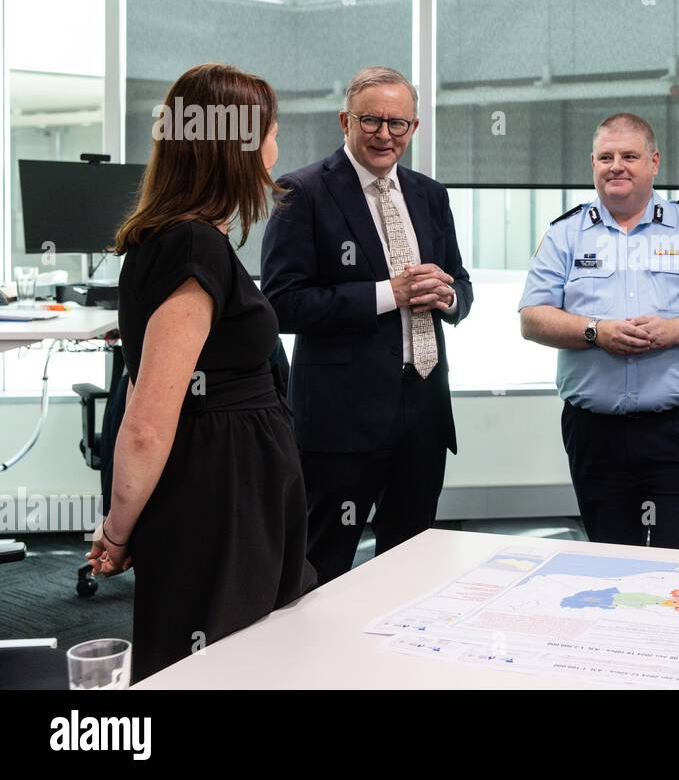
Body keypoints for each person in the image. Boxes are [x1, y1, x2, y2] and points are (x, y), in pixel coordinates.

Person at [88, 62, 315, 681]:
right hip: (218, 492)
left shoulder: (191, 240)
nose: (277, 145)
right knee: (211, 660)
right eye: (271, 130)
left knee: (246, 653)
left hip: (239, 483)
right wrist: (116, 530)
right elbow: (146, 420)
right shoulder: (190, 248)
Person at [260, 66, 471, 585]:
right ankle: (313, 666)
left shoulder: (430, 194)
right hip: (342, 420)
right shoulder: (302, 192)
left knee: (413, 563)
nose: (384, 134)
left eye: (397, 124)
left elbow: (462, 285)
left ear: (414, 128)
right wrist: (388, 294)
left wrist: (447, 296)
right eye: (371, 120)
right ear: (344, 121)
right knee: (322, 566)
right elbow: (282, 303)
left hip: (423, 410)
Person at [519, 112, 679, 551]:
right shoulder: (565, 234)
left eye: (629, 155)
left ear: (654, 162)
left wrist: (675, 330)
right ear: (593, 163)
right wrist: (596, 332)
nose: (617, 166)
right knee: (609, 558)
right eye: (605, 156)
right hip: (596, 434)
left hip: (677, 430)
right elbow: (532, 317)